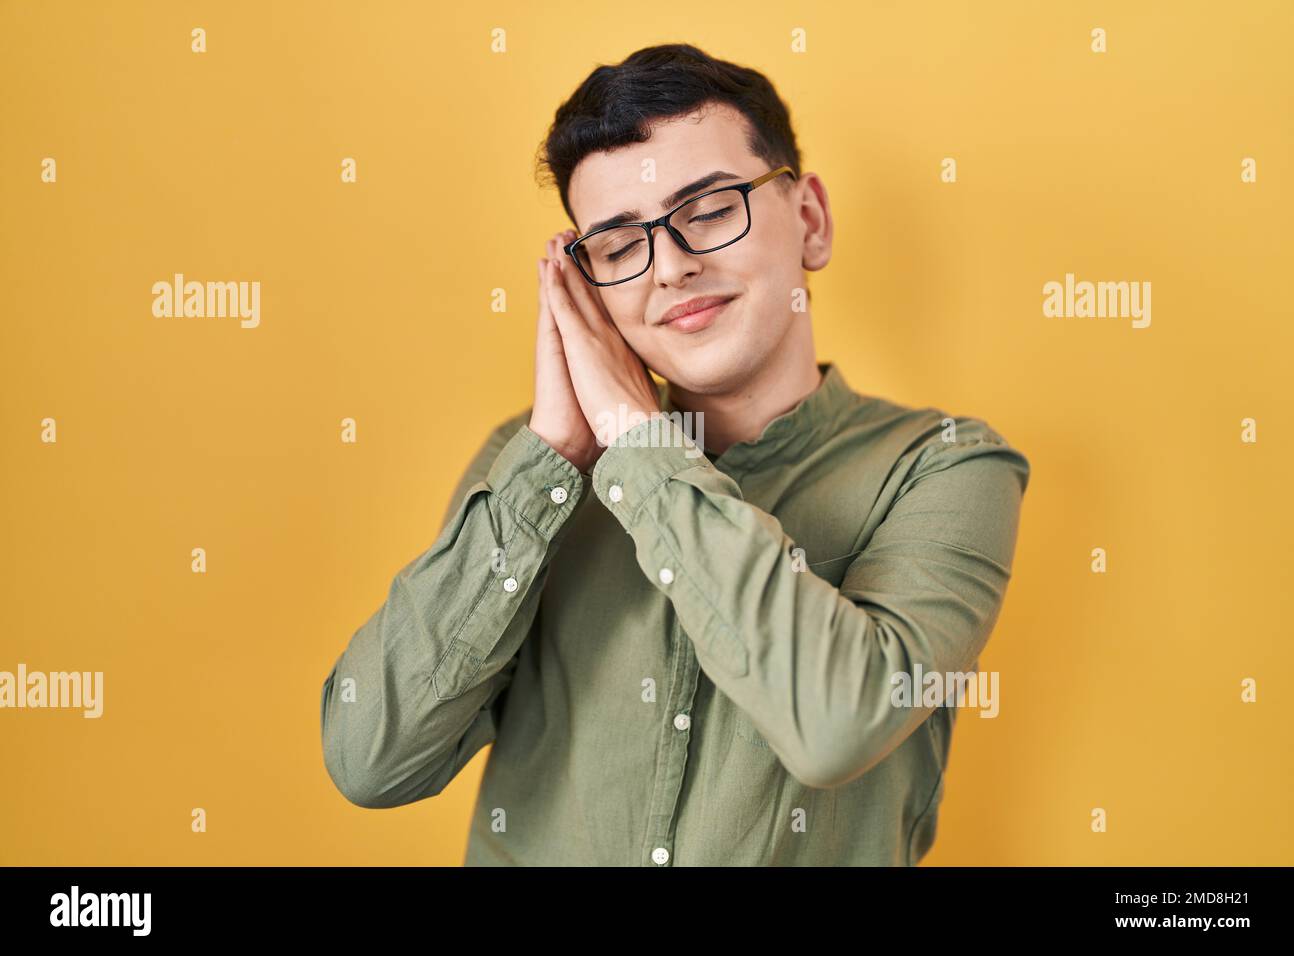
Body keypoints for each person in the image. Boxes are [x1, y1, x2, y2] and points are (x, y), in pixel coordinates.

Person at [319, 43, 1030, 866]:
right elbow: (369, 759)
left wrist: (638, 442)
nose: (674, 266)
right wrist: (552, 457)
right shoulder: (535, 475)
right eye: (621, 247)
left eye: (710, 209)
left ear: (810, 221)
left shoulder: (945, 467)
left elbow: (835, 725)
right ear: (584, 285)